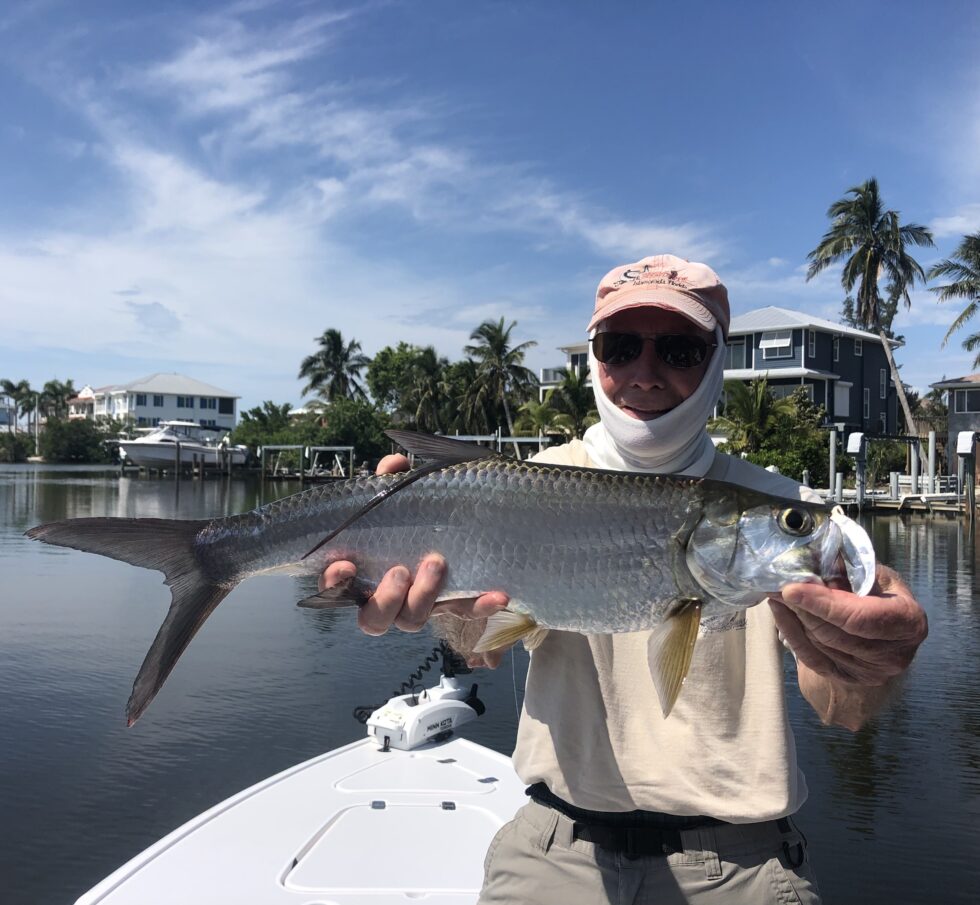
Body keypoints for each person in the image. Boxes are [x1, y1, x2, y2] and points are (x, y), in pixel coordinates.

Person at [321, 254, 928, 904]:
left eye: (679, 349)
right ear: (595, 356)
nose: (644, 372)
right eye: (619, 346)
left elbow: (842, 708)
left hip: (740, 866)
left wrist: (868, 657)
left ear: (715, 360)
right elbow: (480, 643)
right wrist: (439, 598)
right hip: (555, 848)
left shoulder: (782, 511)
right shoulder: (522, 481)